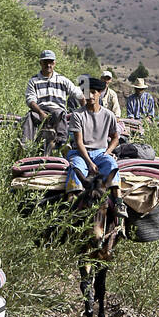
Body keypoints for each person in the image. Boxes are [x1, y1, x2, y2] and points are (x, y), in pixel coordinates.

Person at [64, 78, 128, 218]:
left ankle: (119, 202)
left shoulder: (108, 115)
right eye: (87, 93)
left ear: (100, 93)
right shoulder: (77, 115)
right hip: (81, 153)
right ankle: (72, 202)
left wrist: (108, 152)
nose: (90, 96)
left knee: (111, 164)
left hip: (100, 152)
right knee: (76, 168)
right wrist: (89, 162)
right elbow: (79, 142)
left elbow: (115, 137)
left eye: (94, 92)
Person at [21, 50, 84, 147]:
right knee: (29, 116)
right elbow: (30, 100)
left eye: (51, 62)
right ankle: (25, 145)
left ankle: (62, 144)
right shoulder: (33, 81)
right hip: (40, 111)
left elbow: (78, 94)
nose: (48, 65)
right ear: (41, 63)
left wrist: (85, 111)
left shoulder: (62, 80)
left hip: (57, 111)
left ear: (54, 63)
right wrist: (40, 112)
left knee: (59, 113)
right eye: (46, 62)